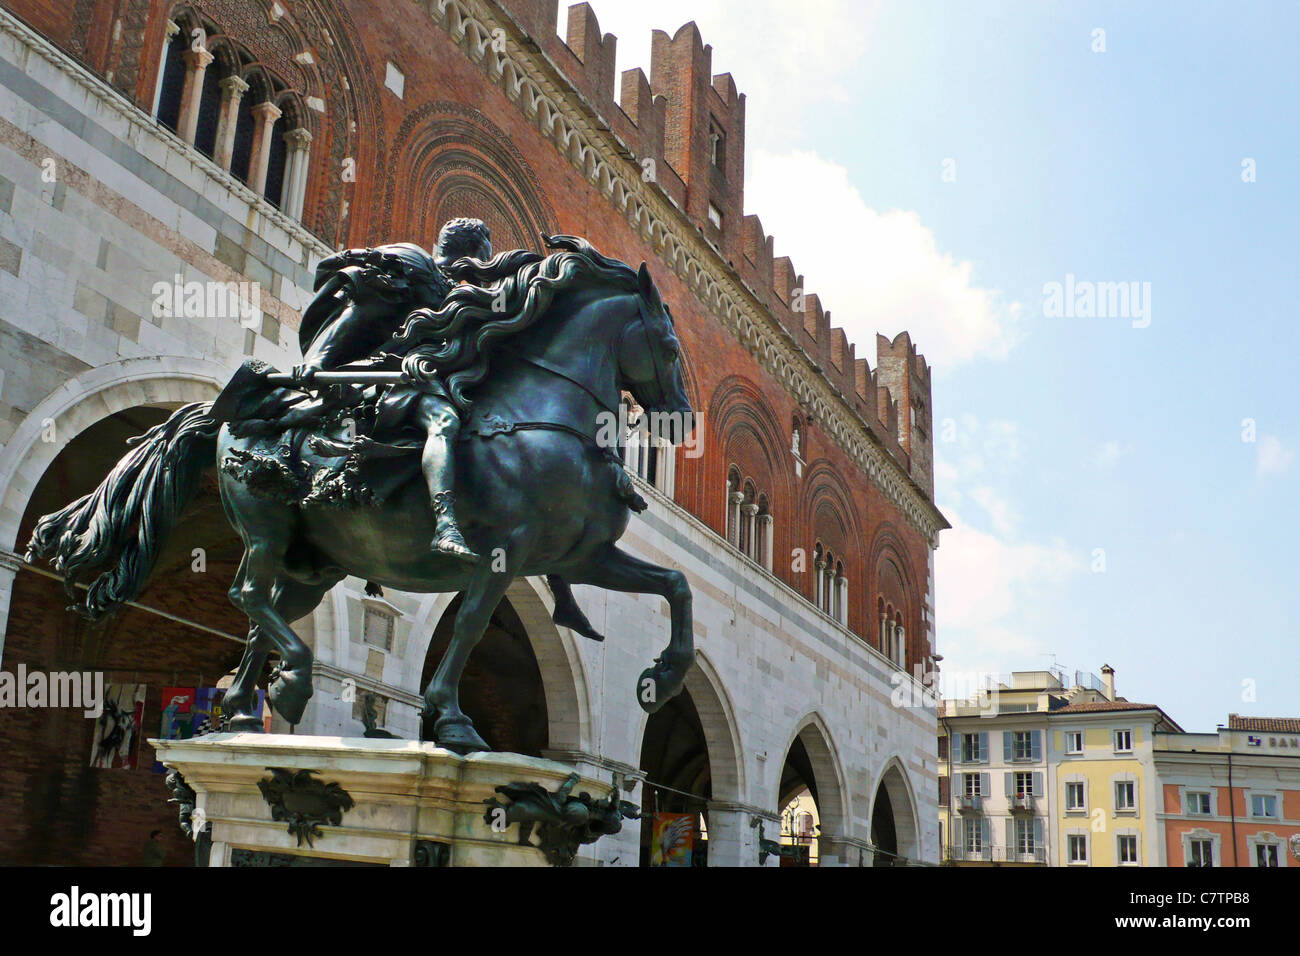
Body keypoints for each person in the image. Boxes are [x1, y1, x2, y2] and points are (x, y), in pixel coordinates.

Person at [293, 219, 494, 561]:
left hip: (432, 378)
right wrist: (318, 359)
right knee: (443, 422)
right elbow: (358, 313)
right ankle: (445, 524)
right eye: (487, 252)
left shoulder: (459, 293)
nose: (489, 262)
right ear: (474, 250)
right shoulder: (415, 265)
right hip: (392, 376)